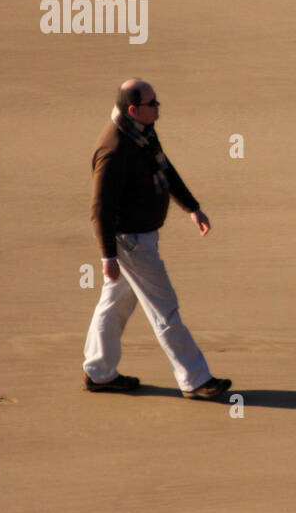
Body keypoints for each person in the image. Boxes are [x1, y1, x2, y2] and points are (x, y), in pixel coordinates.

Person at [82, 78, 231, 400]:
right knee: (165, 310)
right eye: (153, 104)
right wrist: (107, 256)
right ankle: (195, 379)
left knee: (114, 305)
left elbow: (165, 169)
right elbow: (99, 208)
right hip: (131, 242)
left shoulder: (141, 132)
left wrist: (192, 207)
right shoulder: (114, 148)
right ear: (134, 109)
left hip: (139, 238)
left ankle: (99, 372)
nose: (158, 107)